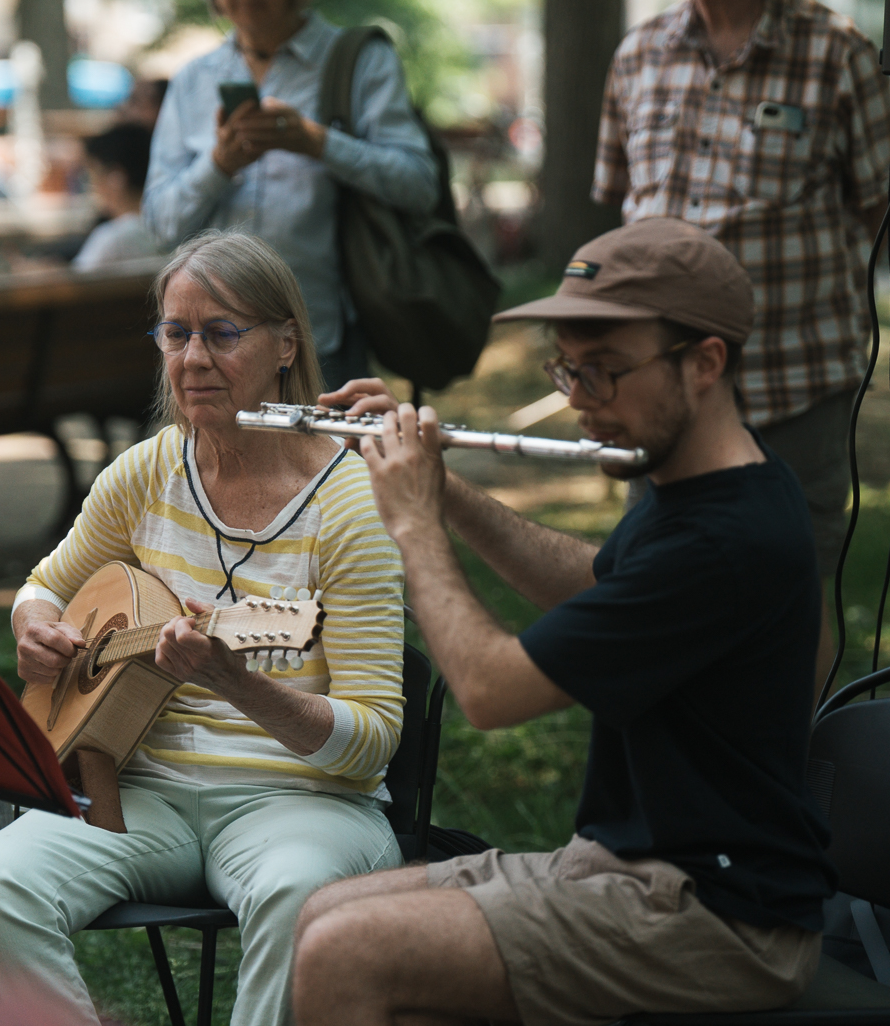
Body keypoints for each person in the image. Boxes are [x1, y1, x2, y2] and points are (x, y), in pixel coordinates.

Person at [294, 218, 836, 1025]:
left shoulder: (725, 538)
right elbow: (599, 583)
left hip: (718, 916)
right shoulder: (701, 481)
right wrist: (440, 485)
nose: (580, 400)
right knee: (320, 917)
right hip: (625, 867)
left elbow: (487, 691)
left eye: (607, 373)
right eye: (569, 369)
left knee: (349, 953)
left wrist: (413, 525)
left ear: (705, 363)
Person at [0, 230, 406, 1026]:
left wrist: (240, 684)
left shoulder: (349, 503)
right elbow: (42, 587)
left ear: (285, 344)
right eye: (176, 332)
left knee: (299, 896)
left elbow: (371, 740)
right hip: (141, 792)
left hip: (302, 804)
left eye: (222, 333)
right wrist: (36, 627)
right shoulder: (150, 470)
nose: (193, 358)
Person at [592, 0, 890, 687]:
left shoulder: (838, 51)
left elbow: (877, 210)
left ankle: (798, 774)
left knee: (795, 596)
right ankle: (671, 777)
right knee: (656, 584)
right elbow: (619, 206)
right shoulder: (639, 53)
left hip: (794, 388)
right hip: (661, 393)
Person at [142, 0, 437, 390]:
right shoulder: (192, 81)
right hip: (210, 347)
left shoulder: (358, 60)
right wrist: (218, 166)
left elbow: (419, 184)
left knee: (323, 465)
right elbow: (159, 225)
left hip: (318, 339)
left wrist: (316, 141)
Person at [73, 122, 162, 271]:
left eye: (92, 175)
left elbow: (72, 284)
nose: (92, 186)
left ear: (116, 178)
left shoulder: (113, 236)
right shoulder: (171, 230)